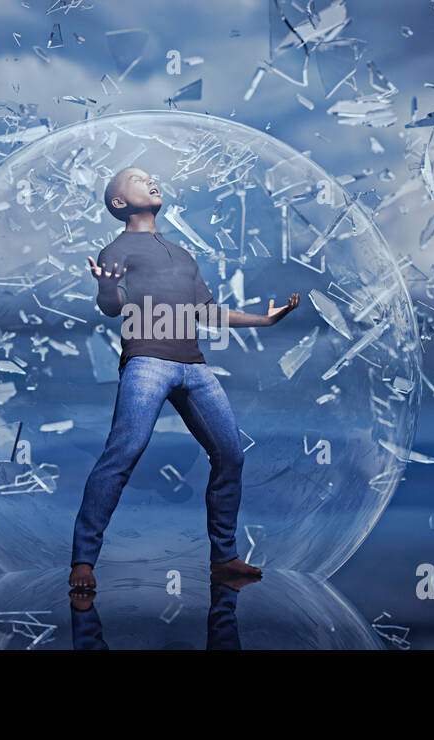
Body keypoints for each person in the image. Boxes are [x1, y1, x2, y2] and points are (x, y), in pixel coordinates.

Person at [68, 165, 300, 590]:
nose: (150, 180)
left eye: (150, 176)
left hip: (194, 365)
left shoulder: (183, 254)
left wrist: (264, 322)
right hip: (147, 363)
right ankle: (83, 561)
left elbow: (207, 313)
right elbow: (112, 306)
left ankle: (224, 558)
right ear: (119, 203)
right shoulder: (115, 251)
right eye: (137, 179)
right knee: (123, 454)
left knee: (230, 455)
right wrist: (104, 287)